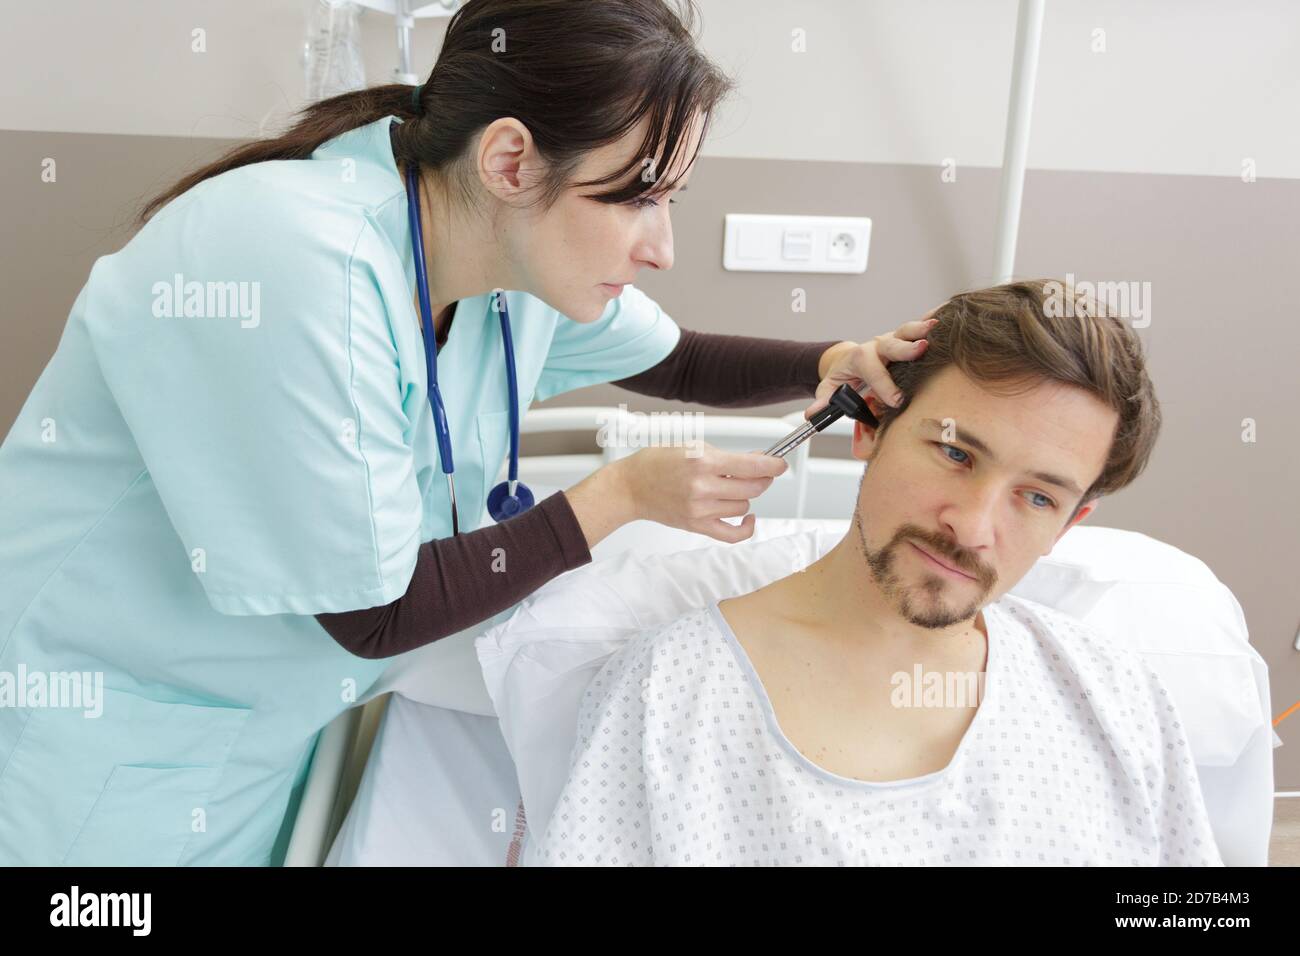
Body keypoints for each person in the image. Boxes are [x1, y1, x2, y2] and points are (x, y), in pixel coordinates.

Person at [0, 0, 933, 865]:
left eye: (669, 201)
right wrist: (619, 496)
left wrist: (831, 359)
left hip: (250, 733)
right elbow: (378, 613)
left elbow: (678, 361)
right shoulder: (289, 265)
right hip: (95, 729)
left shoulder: (500, 259)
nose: (660, 248)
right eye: (635, 197)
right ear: (512, 161)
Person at [533, 279, 1225, 867]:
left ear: (1069, 525)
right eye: (955, 454)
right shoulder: (668, 697)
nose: (973, 527)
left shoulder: (1116, 701)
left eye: (1037, 497)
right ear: (870, 427)